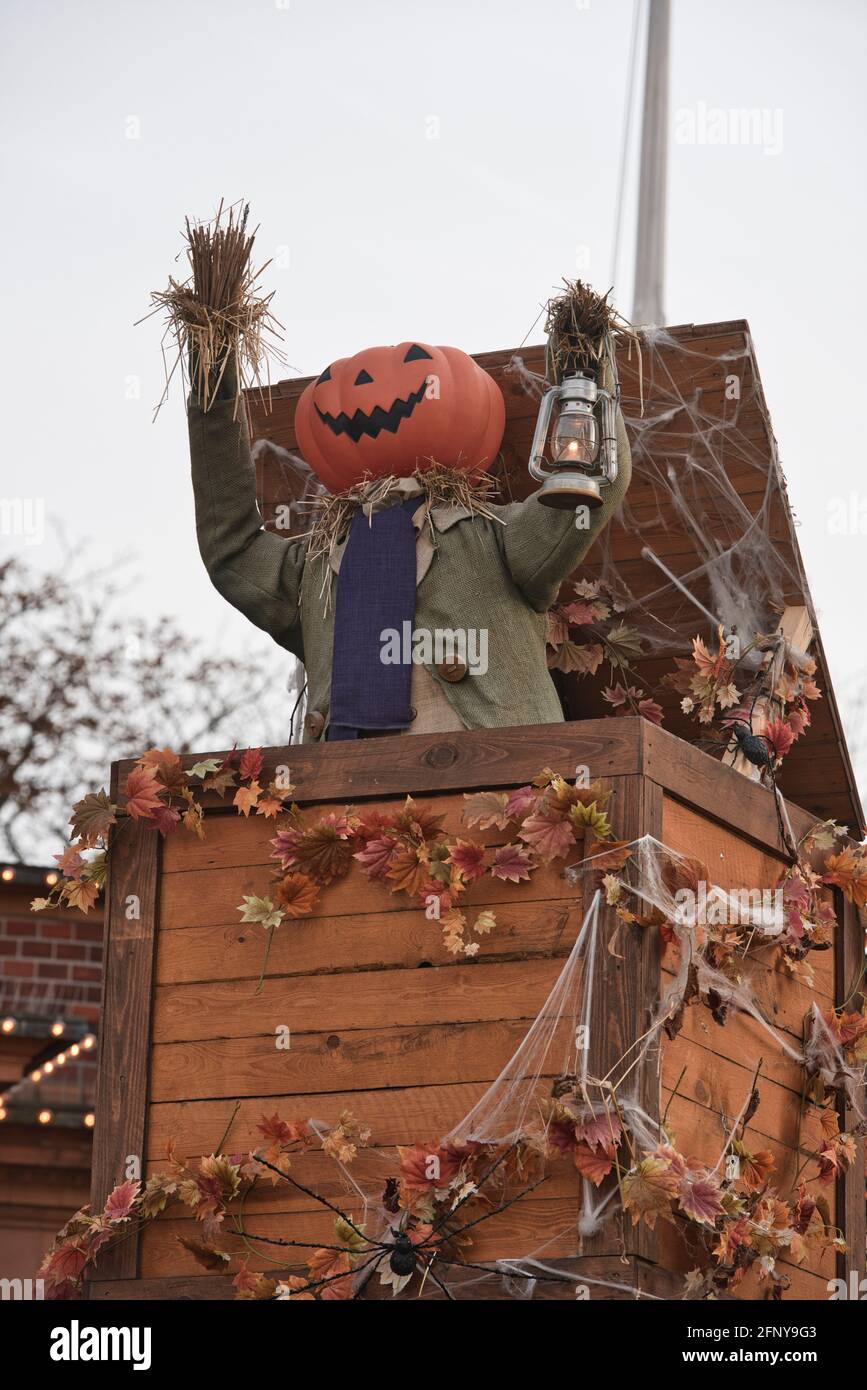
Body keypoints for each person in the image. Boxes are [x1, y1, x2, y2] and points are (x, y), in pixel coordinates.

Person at [187, 354, 631, 742]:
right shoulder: (313, 571)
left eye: (415, 367)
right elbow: (235, 548)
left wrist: (585, 377)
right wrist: (215, 393)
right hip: (346, 802)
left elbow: (585, 495)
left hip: (493, 787)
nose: (369, 392)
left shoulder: (495, 538)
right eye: (345, 384)